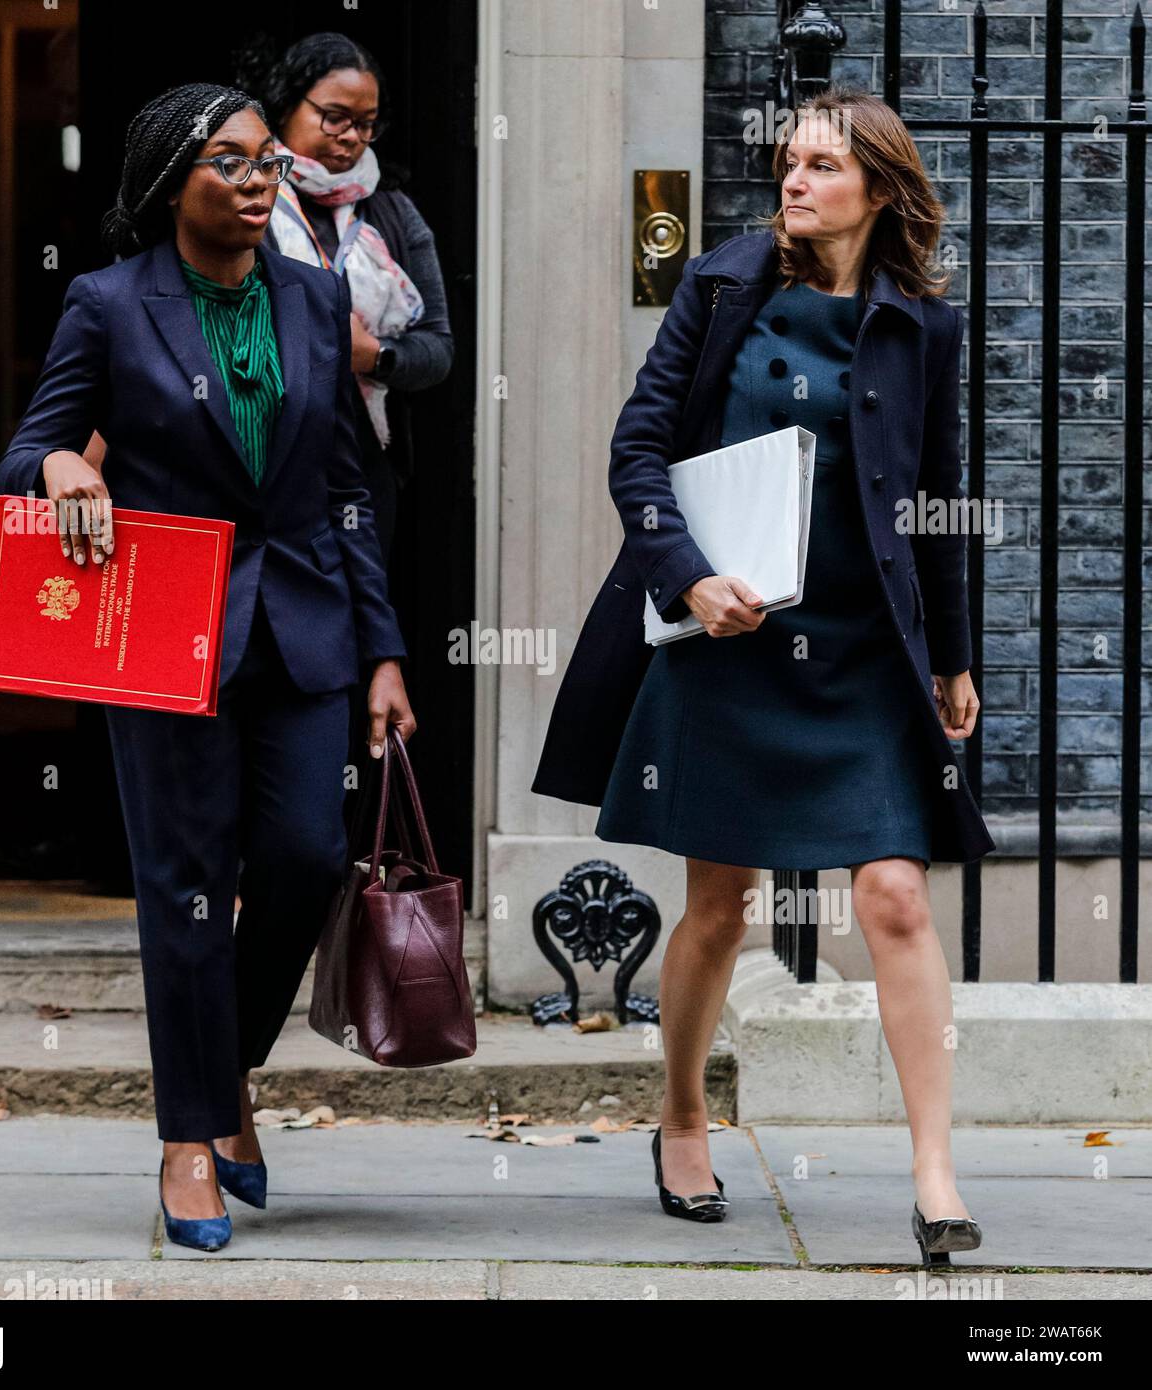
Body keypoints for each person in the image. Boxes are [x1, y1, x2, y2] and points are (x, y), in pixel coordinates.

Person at [532, 86, 991, 1265]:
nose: (793, 180)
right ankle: (683, 1113)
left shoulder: (921, 327)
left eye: (821, 165)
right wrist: (685, 578)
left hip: (859, 649)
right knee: (719, 908)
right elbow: (638, 447)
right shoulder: (723, 285)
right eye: (788, 161)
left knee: (893, 891)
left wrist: (952, 654)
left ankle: (935, 1176)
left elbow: (935, 502)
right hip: (729, 641)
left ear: (876, 188)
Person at [0, 82, 416, 1252]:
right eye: (226, 163)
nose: (252, 181)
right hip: (164, 633)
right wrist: (63, 475)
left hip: (304, 628)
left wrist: (382, 649)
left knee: (305, 852)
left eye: (265, 164)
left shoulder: (315, 298)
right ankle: (191, 1135)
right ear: (170, 176)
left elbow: (343, 488)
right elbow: (28, 446)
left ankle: (222, 1061)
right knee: (183, 882)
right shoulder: (110, 305)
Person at [233, 29, 454, 565]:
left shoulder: (393, 212)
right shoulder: (240, 193)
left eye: (366, 124)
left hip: (360, 464)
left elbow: (439, 351)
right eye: (334, 117)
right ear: (287, 104)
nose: (352, 136)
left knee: (357, 626)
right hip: (252, 455)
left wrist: (374, 356)